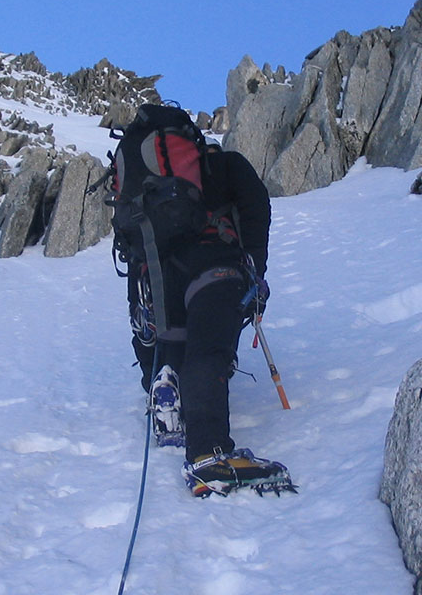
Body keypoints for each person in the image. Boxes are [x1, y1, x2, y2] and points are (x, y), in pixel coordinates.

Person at [119, 110, 294, 497]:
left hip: (158, 274)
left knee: (174, 333)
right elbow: (257, 205)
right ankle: (209, 454)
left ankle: (165, 383)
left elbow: (134, 260)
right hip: (215, 265)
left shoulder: (145, 190)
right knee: (209, 348)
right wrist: (254, 265)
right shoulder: (226, 165)